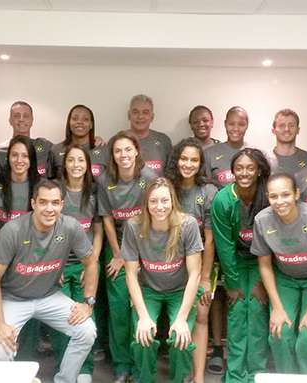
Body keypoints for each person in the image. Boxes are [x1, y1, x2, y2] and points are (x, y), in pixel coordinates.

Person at [0, 180, 98, 383]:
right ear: (33, 203)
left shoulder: (70, 227)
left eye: (55, 203)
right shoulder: (13, 230)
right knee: (1, 349)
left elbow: (91, 262)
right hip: (13, 298)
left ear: (62, 205)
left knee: (87, 331)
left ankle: (65, 379)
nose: (49, 208)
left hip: (48, 296)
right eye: (43, 202)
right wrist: (0, 323)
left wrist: (88, 303)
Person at [252, 173, 307, 374]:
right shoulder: (262, 220)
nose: (280, 202)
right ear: (268, 197)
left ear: (297, 193)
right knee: (279, 333)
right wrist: (277, 307)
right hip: (286, 279)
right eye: (274, 197)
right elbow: (264, 266)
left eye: (285, 195)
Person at [123, 177, 203, 383]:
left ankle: (180, 379)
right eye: (154, 201)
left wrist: (182, 318)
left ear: (173, 201)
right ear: (146, 203)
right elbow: (131, 273)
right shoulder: (133, 226)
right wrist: (142, 316)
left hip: (180, 290)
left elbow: (195, 273)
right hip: (149, 289)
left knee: (180, 338)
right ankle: (144, 379)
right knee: (143, 337)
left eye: (165, 201)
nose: (160, 206)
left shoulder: (188, 224)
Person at [97, 131, 157, 382]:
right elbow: (107, 219)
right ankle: (122, 364)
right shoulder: (104, 180)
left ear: (136, 151)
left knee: (142, 306)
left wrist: (142, 255)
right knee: (119, 307)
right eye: (118, 151)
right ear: (113, 155)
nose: (123, 155)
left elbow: (155, 215)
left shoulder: (150, 178)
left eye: (127, 149)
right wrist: (119, 255)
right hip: (118, 247)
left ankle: (140, 363)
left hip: (146, 244)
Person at [210, 148, 272, 383]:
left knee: (256, 309)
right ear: (232, 171)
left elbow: (273, 243)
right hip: (235, 260)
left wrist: (261, 282)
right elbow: (224, 246)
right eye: (239, 168)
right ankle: (235, 374)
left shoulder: (268, 196)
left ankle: (256, 373)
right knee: (237, 311)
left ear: (258, 171)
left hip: (262, 261)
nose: (244, 172)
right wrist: (232, 283)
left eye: (250, 168)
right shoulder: (223, 199)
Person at [51, 144, 104, 383]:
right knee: (63, 320)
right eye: (71, 160)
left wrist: (91, 263)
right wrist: (54, 265)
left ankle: (85, 370)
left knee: (85, 318)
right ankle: (65, 371)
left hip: (85, 265)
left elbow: (99, 230)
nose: (76, 165)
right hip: (59, 266)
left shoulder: (94, 192)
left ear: (88, 164)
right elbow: (47, 229)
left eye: (80, 160)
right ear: (65, 164)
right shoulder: (56, 191)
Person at [167, 138, 218, 383]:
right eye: (184, 158)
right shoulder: (166, 187)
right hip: (171, 266)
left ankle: (198, 378)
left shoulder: (208, 192)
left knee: (200, 314)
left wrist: (205, 278)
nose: (188, 164)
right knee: (177, 316)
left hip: (201, 266)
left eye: (194, 160)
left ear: (201, 163)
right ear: (176, 160)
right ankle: (181, 372)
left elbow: (210, 240)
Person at [0, 101, 54, 178]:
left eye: (26, 116)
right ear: (10, 121)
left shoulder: (46, 147)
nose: (21, 119)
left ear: (32, 120)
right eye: (16, 116)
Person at [49, 105, 109, 179]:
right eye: (75, 119)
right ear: (69, 123)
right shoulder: (55, 150)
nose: (80, 122)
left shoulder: (104, 149)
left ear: (91, 125)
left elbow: (112, 183)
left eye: (85, 119)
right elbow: (49, 183)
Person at [0, 135, 39, 236]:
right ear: (8, 157)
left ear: (31, 159)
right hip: (3, 245)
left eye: (25, 156)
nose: (19, 160)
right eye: (14, 155)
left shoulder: (40, 185)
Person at [205, 106, 255, 189]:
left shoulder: (256, 154)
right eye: (231, 124)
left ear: (247, 125)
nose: (236, 129)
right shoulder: (209, 154)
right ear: (225, 124)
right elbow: (205, 190)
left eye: (241, 124)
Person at [125, 94, 173, 176]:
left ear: (152, 117)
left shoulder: (164, 141)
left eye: (145, 112)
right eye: (135, 112)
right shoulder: (118, 140)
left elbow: (171, 174)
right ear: (129, 115)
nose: (140, 116)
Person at [268, 109, 307, 176]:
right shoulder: (265, 159)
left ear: (298, 130)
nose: (287, 129)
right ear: (274, 131)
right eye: (282, 125)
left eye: (291, 125)